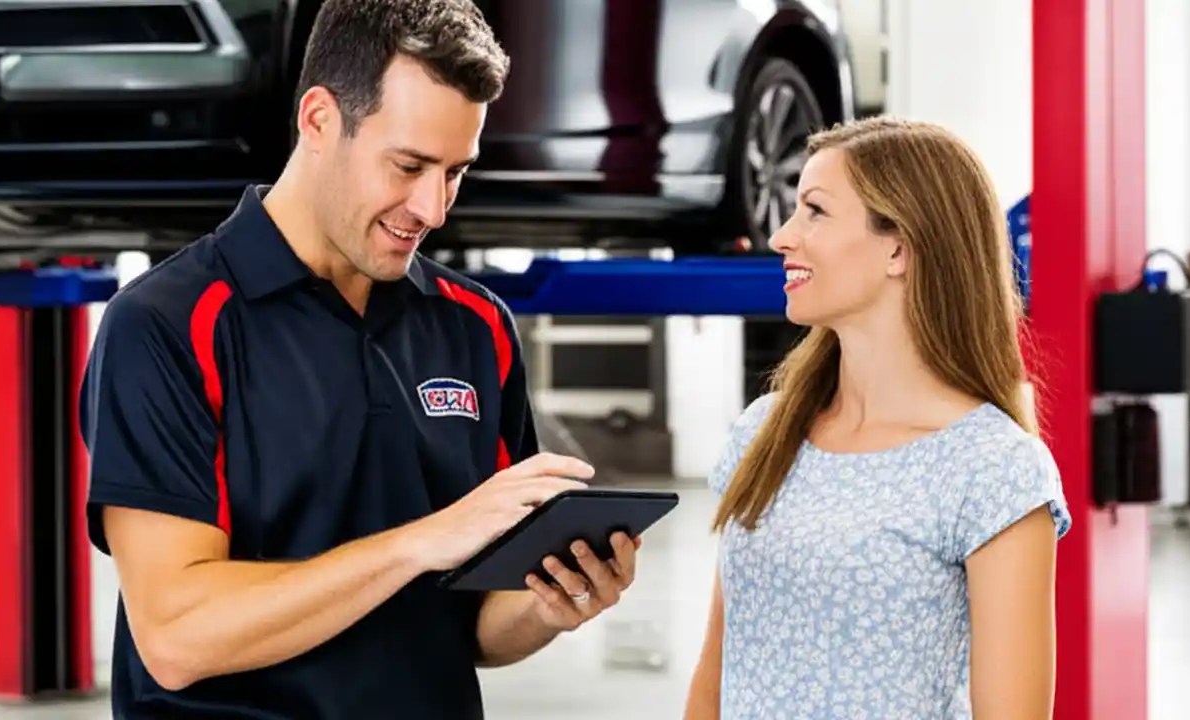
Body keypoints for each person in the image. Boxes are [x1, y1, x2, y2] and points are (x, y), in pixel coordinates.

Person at [78, 1, 641, 717]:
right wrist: (420, 543)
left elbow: (474, 626)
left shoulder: (476, 327)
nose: (433, 208)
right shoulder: (167, 325)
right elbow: (177, 635)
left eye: (455, 172)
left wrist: (550, 603)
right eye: (408, 166)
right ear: (319, 120)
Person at [683, 117, 1072, 719]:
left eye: (815, 211)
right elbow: (716, 675)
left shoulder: (994, 469)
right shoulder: (766, 430)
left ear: (899, 249)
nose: (782, 237)